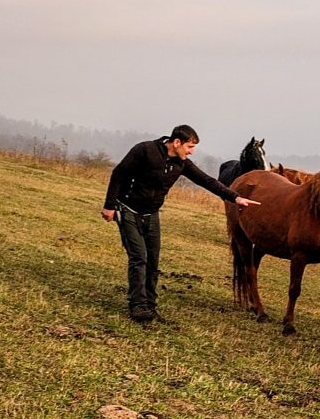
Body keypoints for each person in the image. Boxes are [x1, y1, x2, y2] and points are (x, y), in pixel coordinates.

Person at [104, 125, 259, 323]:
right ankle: (137, 306)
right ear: (177, 142)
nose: (192, 152)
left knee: (153, 261)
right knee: (139, 258)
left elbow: (207, 181)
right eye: (190, 147)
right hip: (128, 210)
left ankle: (150, 306)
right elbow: (119, 174)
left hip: (151, 214)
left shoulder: (182, 163)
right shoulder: (145, 150)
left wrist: (235, 198)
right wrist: (109, 206)